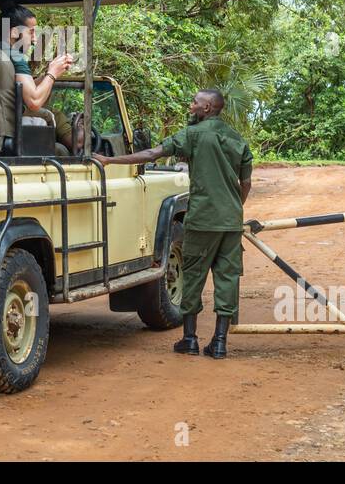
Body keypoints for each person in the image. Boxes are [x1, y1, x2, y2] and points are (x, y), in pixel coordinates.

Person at [97, 89, 252, 359]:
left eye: (194, 102)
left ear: (207, 108)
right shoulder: (237, 139)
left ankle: (189, 339)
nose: (190, 106)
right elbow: (246, 182)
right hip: (230, 222)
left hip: (202, 221)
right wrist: (235, 208)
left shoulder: (192, 135)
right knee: (228, 280)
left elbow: (152, 154)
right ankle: (219, 343)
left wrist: (110, 160)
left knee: (192, 276)